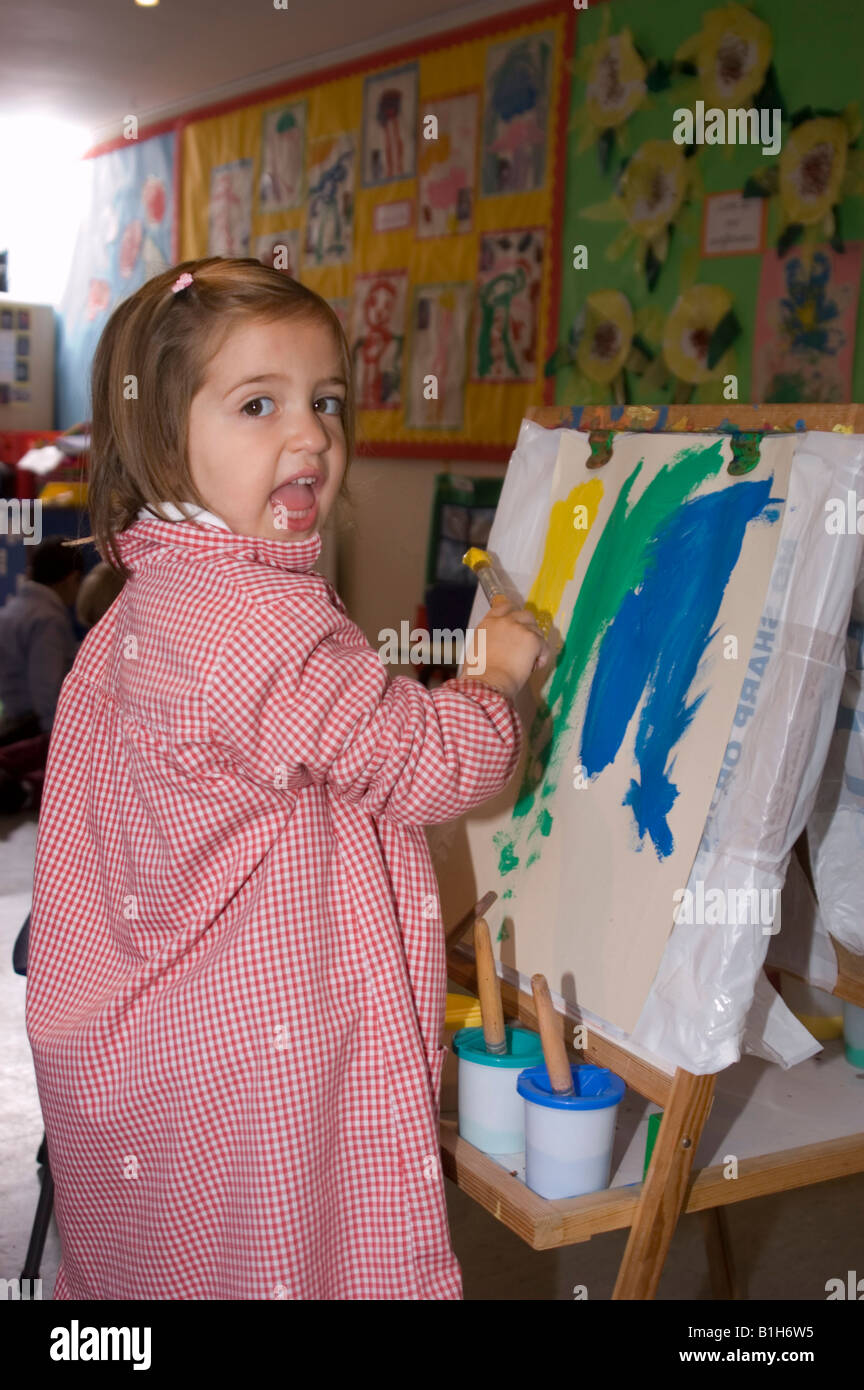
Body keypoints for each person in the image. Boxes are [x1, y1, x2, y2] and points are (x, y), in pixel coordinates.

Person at [25, 256, 547, 1301]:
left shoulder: (140, 607)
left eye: (326, 402)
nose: (309, 435)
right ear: (163, 441)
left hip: (149, 1047)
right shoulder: (259, 620)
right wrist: (497, 680)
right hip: (252, 1072)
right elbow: (432, 764)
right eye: (258, 404)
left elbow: (323, 734)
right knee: (293, 1263)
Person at [0, 537, 84, 814]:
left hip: (13, 719)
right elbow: (45, 693)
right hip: (28, 727)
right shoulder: (48, 618)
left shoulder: (16, 607)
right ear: (72, 579)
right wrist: (59, 749)